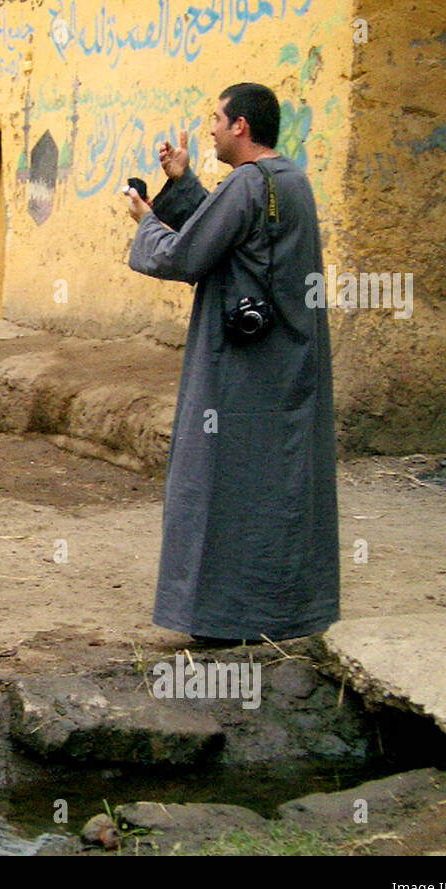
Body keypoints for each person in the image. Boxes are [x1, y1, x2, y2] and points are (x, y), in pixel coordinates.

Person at [124, 83, 339, 643]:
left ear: (240, 126)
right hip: (284, 367)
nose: (212, 130)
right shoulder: (289, 181)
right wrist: (182, 182)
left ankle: (223, 618)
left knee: (216, 481)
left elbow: (188, 253)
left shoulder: (249, 183)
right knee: (276, 484)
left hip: (239, 373)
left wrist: (146, 220)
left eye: (217, 120)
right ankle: (279, 613)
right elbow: (239, 237)